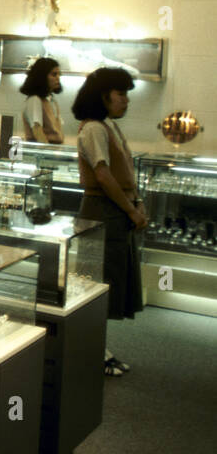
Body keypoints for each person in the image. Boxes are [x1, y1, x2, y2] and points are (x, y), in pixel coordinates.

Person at [72, 67, 144, 378]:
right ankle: (92, 351)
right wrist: (130, 209)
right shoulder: (94, 129)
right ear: (104, 96)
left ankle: (98, 347)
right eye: (121, 94)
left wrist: (136, 203)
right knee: (97, 282)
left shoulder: (108, 126)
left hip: (116, 209)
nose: (126, 100)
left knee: (110, 281)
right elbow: (102, 175)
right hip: (103, 211)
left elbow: (123, 170)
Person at [20, 56, 65, 144]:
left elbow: (58, 131)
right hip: (41, 154)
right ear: (42, 77)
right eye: (54, 74)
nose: (58, 78)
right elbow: (37, 131)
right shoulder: (34, 100)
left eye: (59, 74)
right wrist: (49, 153)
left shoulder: (52, 101)